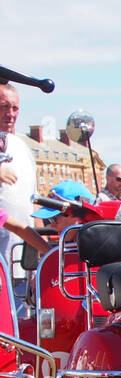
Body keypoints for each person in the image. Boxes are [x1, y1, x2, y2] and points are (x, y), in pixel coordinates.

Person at [0, 82, 42, 261]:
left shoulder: (22, 148)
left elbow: (35, 202)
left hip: (22, 258)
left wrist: (43, 253)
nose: (10, 114)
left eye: (15, 108)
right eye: (4, 107)